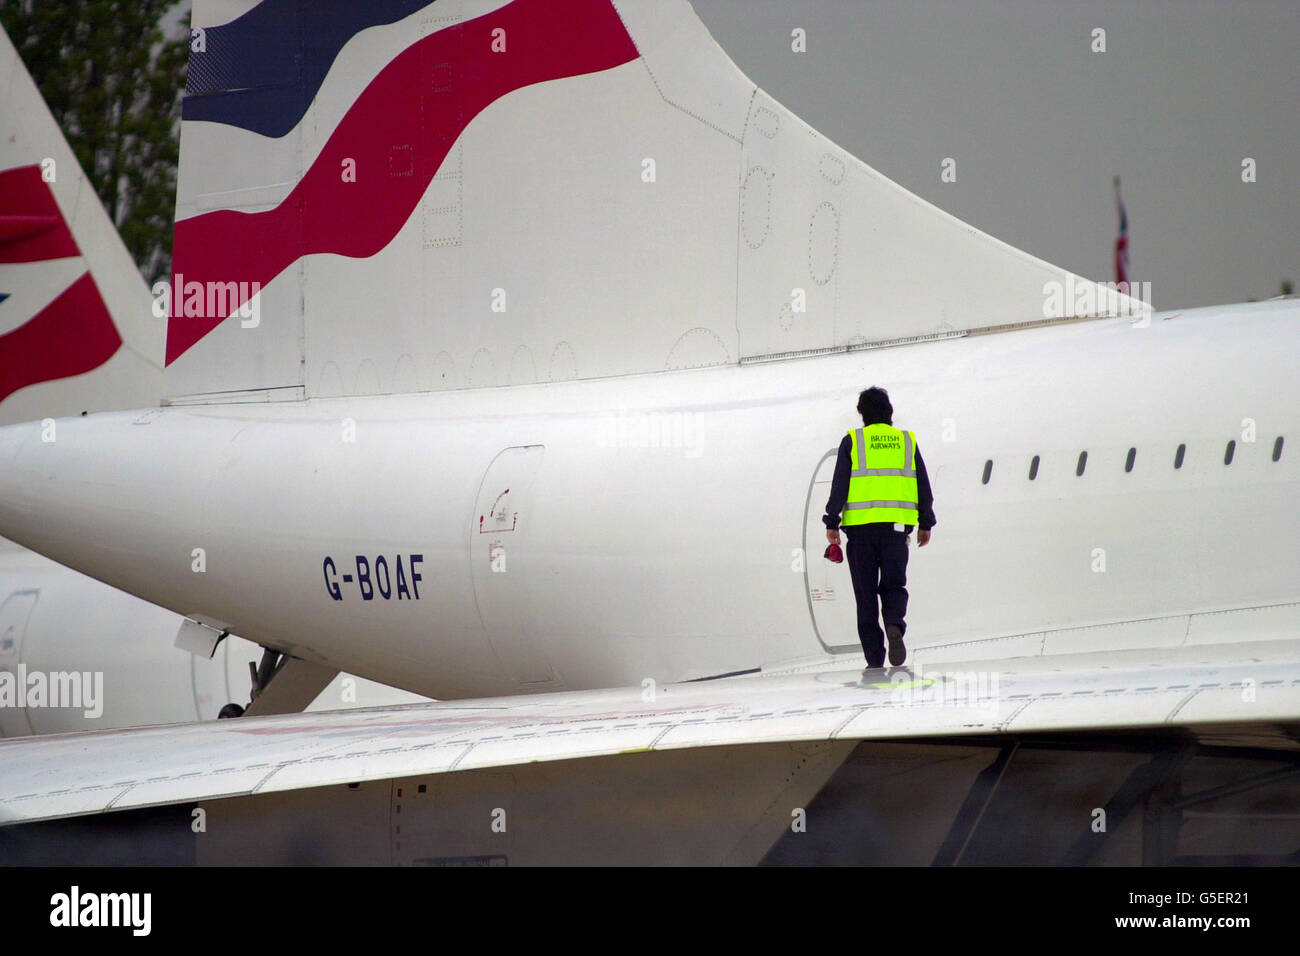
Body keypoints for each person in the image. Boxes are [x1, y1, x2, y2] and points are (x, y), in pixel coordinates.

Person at [823, 387, 935, 671]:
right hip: (896, 532)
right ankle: (895, 624)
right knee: (894, 585)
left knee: (866, 595)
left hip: (860, 534)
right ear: (890, 412)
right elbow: (923, 484)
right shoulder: (906, 442)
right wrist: (925, 522)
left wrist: (831, 521)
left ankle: (875, 658)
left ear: (862, 413)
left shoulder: (853, 442)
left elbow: (840, 486)